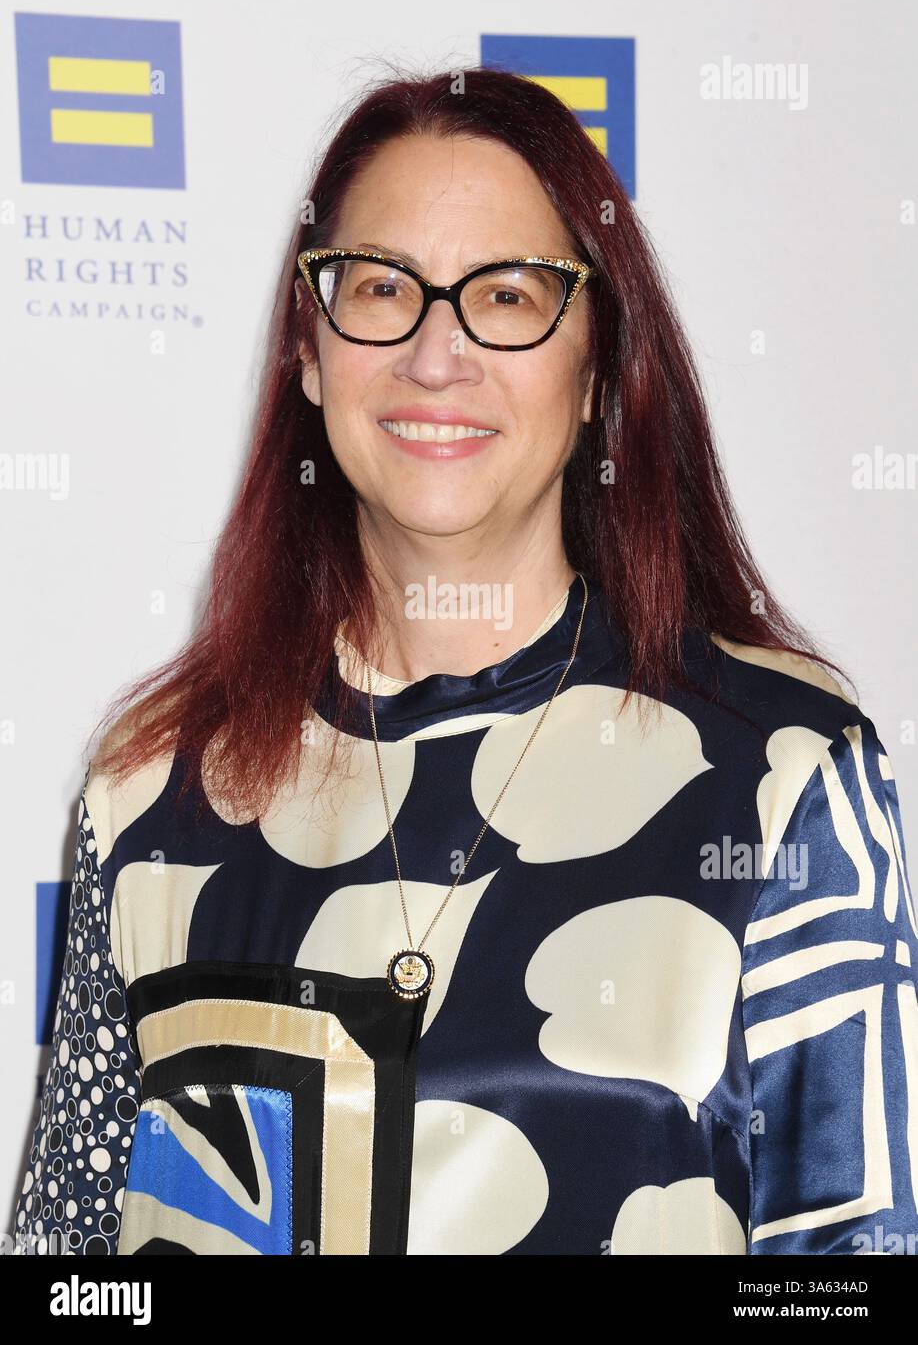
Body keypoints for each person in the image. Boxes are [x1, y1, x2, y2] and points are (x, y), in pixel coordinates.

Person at [13, 66, 918, 1257]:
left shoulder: (783, 770)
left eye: (507, 294)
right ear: (309, 351)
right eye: (381, 287)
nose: (436, 353)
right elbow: (69, 1267)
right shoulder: (149, 792)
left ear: (597, 371)